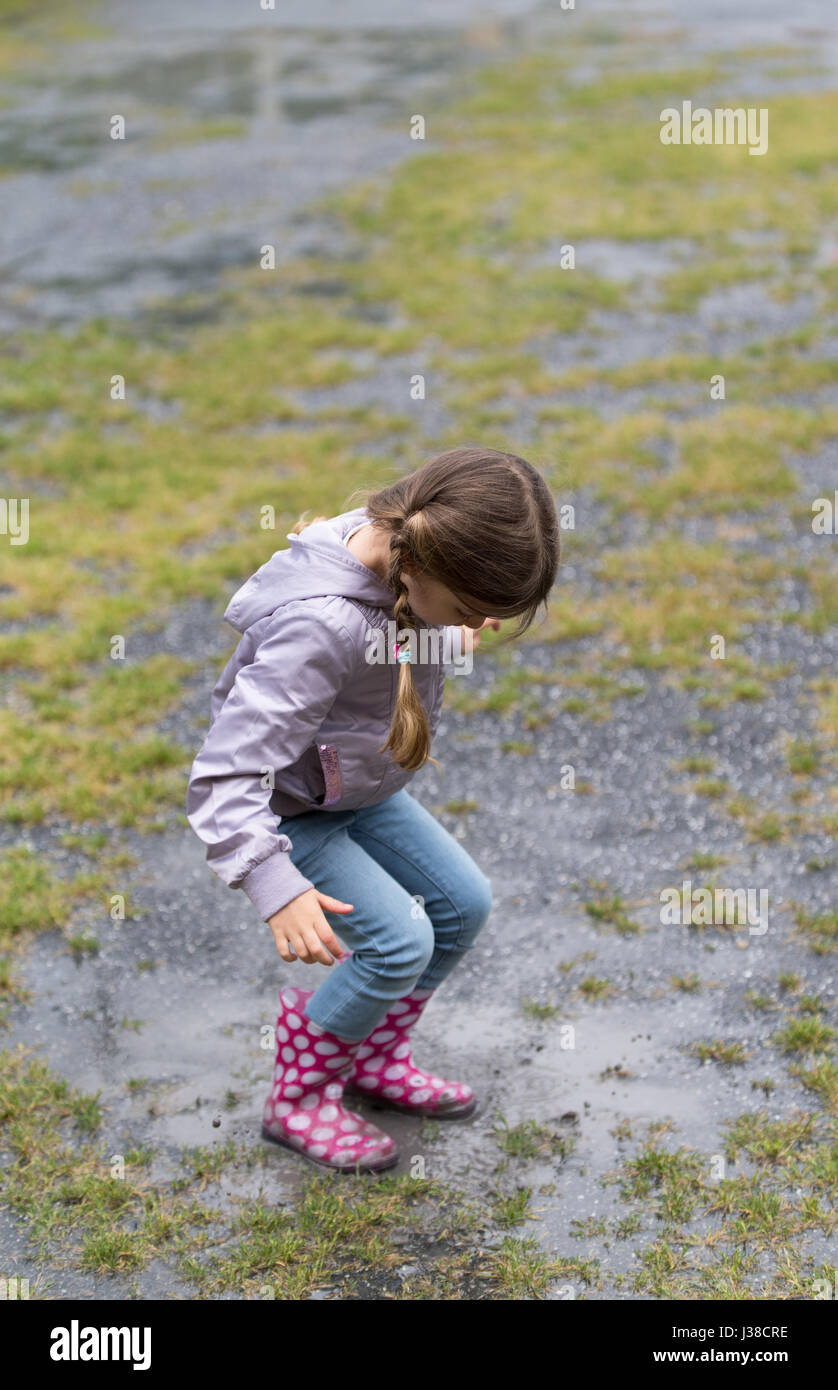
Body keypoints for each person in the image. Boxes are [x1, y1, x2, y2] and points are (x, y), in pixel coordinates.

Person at [186, 446, 560, 1173]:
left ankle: (370, 1058)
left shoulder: (404, 549)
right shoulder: (317, 628)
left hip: (360, 791)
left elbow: (398, 641)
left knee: (463, 904)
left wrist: (448, 633)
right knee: (397, 942)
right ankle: (298, 1099)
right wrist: (273, 882)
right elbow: (226, 773)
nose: (479, 622)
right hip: (291, 815)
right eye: (469, 609)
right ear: (417, 567)